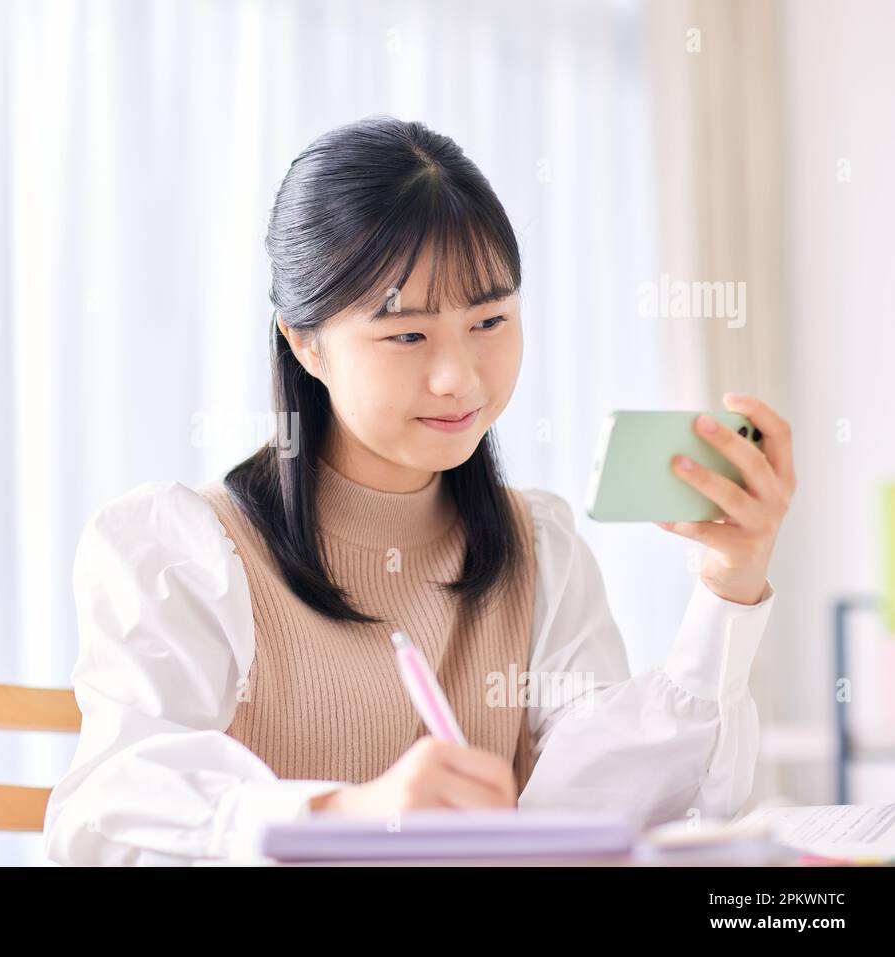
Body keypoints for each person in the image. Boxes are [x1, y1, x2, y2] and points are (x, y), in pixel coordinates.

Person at [43, 116, 793, 865]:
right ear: (305, 342)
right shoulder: (184, 551)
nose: (460, 377)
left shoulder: (540, 549)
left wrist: (730, 584)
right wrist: (343, 813)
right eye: (407, 334)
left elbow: (606, 809)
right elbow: (105, 817)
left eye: (490, 319)